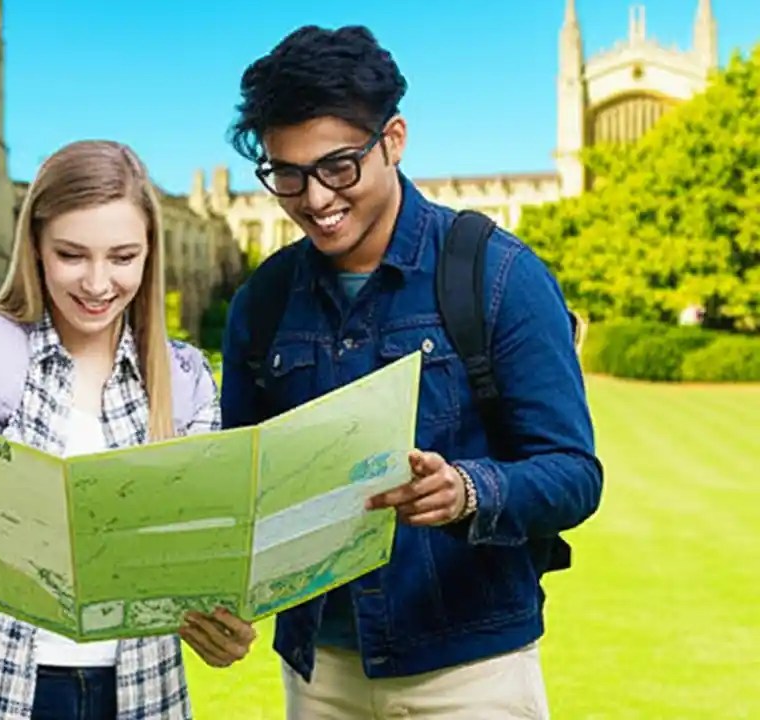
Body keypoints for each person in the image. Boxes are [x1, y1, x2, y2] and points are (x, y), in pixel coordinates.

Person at [219, 25, 603, 719]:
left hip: (471, 670)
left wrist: (469, 491)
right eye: (287, 174)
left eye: (338, 166)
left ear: (393, 140)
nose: (314, 199)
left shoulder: (497, 274)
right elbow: (241, 491)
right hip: (319, 671)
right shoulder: (264, 302)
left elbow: (575, 473)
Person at [0, 139, 257, 719]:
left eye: (123, 257)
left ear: (150, 254)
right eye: (72, 255)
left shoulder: (187, 377)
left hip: (141, 697)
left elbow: (201, 559)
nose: (98, 284)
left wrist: (224, 622)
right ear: (37, 249)